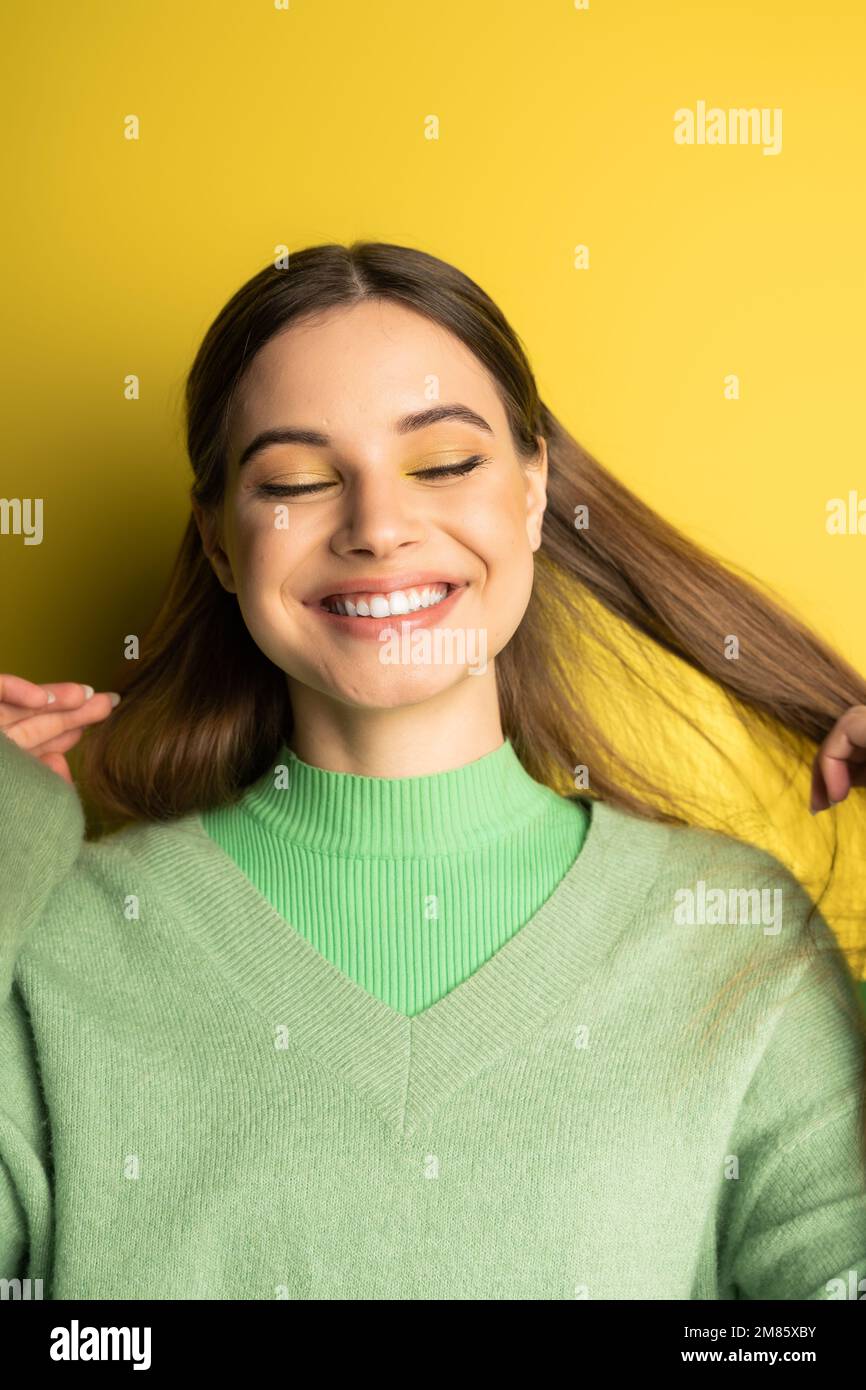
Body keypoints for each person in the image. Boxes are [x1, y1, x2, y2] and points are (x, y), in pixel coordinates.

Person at [1, 241, 865, 1300]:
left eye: (446, 462)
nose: (377, 527)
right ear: (222, 544)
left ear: (534, 492)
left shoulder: (729, 928)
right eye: (297, 480)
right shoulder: (55, 941)